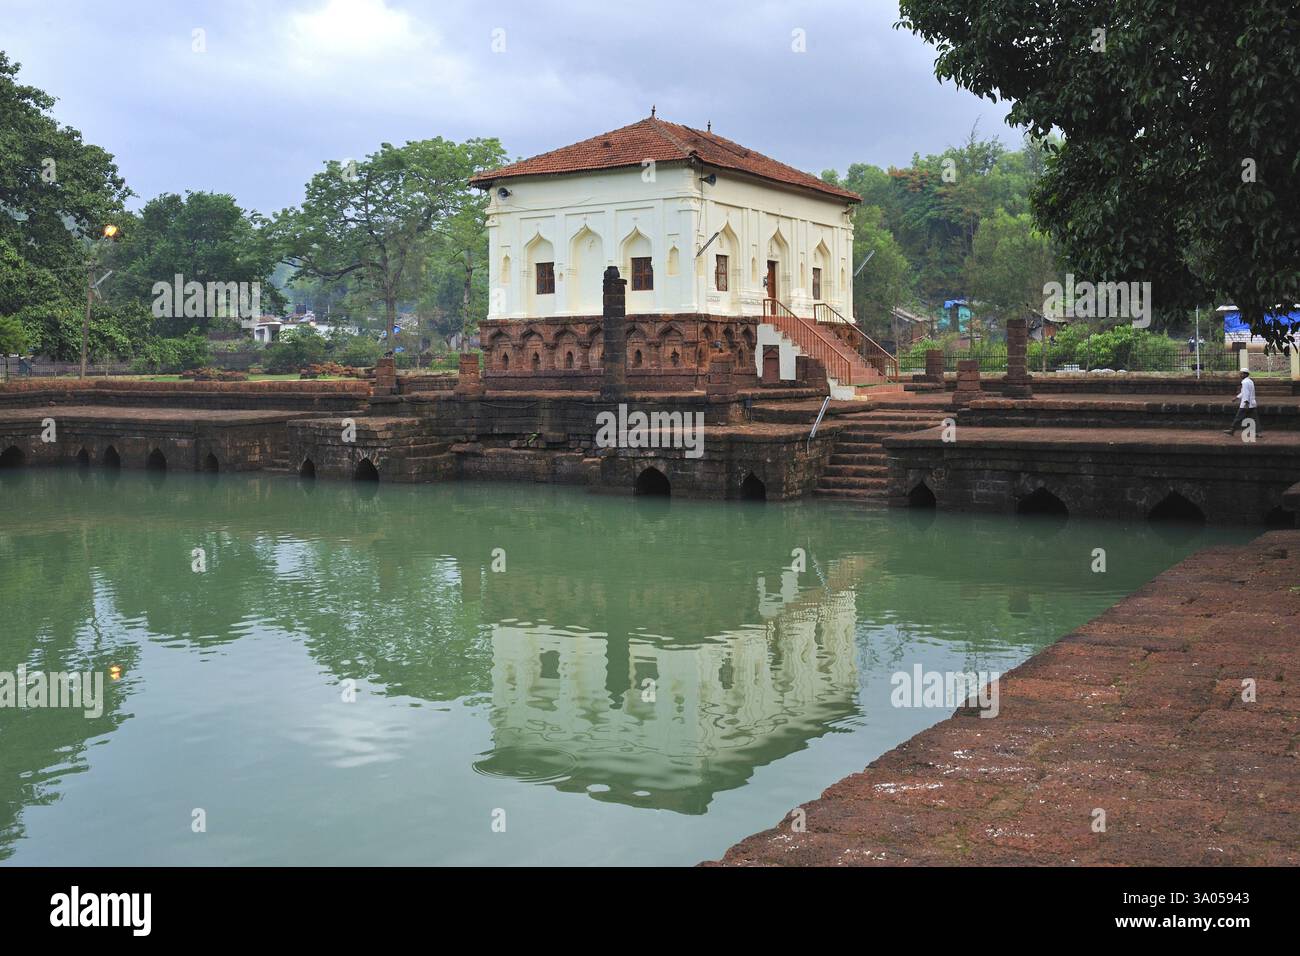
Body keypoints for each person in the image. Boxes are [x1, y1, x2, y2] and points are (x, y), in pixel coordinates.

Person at [1223, 370, 1260, 435]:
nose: (1240, 375)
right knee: (1254, 418)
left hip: (1246, 404)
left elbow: (1246, 393)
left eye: (1241, 374)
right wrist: (1237, 398)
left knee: (1238, 417)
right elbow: (1244, 392)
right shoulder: (1250, 381)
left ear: (1245, 374)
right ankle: (1256, 432)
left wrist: (1246, 402)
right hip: (1252, 403)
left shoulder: (1245, 382)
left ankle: (1232, 430)